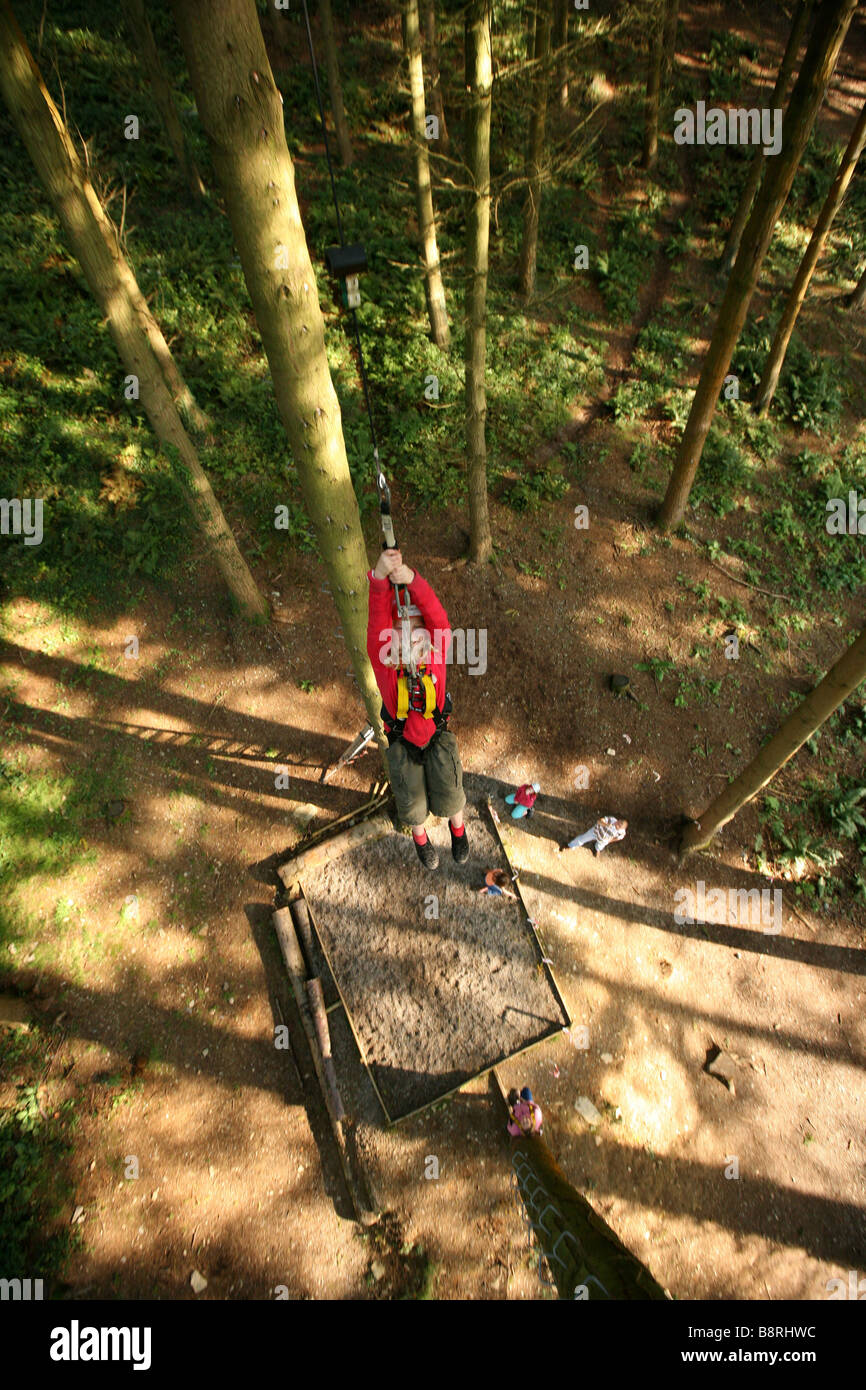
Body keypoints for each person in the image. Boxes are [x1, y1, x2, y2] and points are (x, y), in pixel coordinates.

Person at [368, 548, 468, 870]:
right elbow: (377, 622)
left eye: (417, 633)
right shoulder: (386, 667)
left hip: (436, 737)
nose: (411, 642)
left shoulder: (437, 653)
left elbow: (437, 616)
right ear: (389, 640)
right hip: (404, 744)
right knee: (412, 803)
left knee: (451, 791)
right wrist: (379, 580)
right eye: (400, 634)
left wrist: (411, 580)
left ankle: (458, 829)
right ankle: (421, 838)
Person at [558, 816, 628, 856]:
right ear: (618, 820)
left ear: (622, 829)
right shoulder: (611, 820)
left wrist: (610, 841)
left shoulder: (621, 832)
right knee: (582, 839)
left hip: (604, 839)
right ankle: (570, 846)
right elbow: (599, 821)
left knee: (600, 846)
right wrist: (606, 824)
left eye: (620, 826)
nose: (618, 825)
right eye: (619, 823)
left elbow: (619, 838)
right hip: (595, 832)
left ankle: (596, 849)